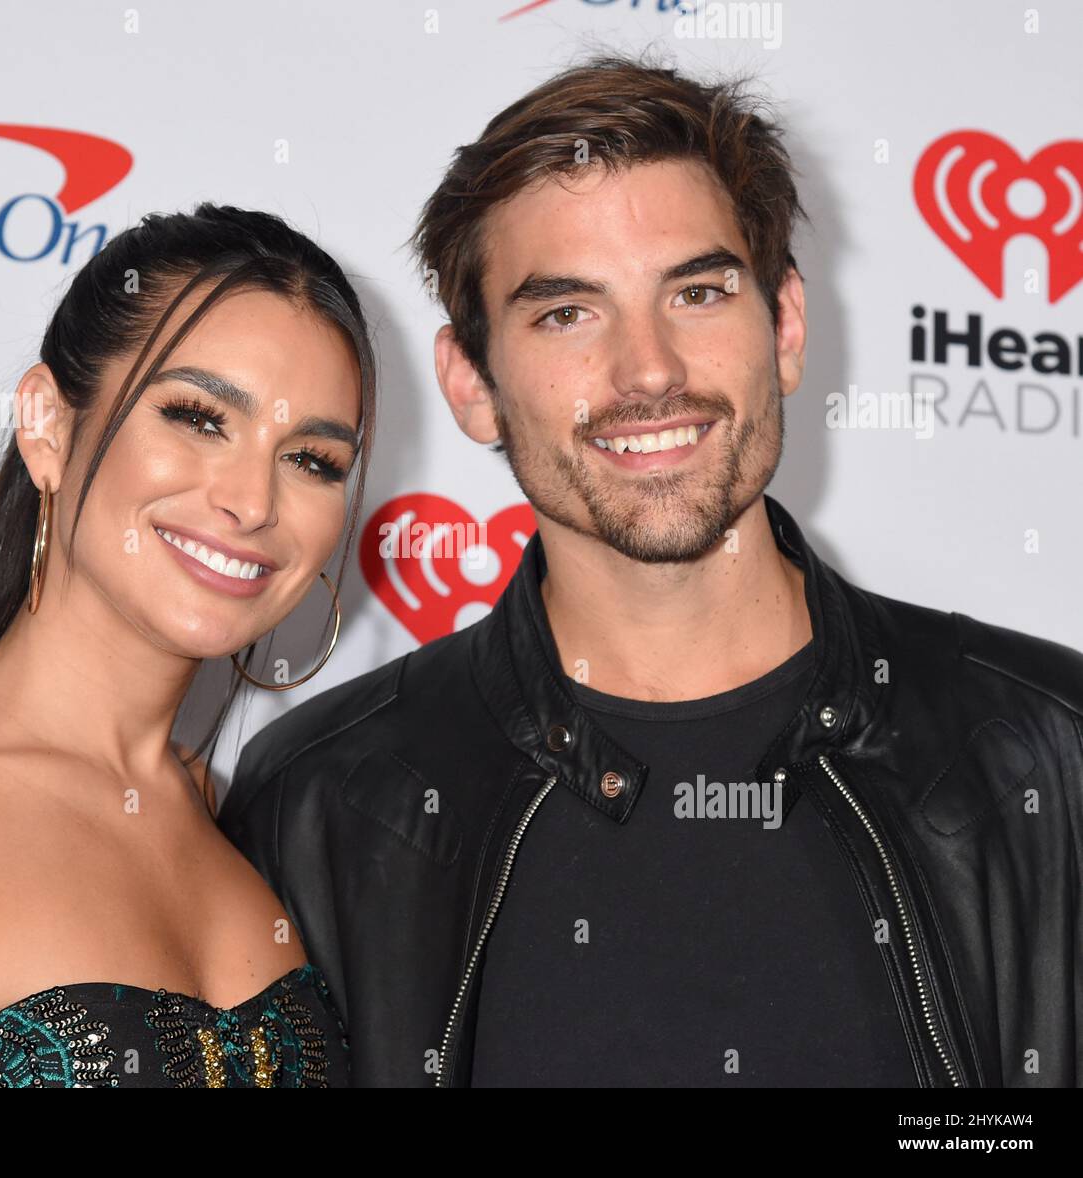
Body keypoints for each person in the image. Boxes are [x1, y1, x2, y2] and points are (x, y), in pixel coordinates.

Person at [218, 54, 1083, 1088]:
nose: (651, 371)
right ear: (472, 383)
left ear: (787, 325)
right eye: (566, 313)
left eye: (700, 291)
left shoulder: (1045, 748)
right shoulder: (329, 801)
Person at [0, 204, 375, 1088]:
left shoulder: (241, 820)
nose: (254, 501)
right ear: (48, 426)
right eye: (200, 417)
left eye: (312, 460)